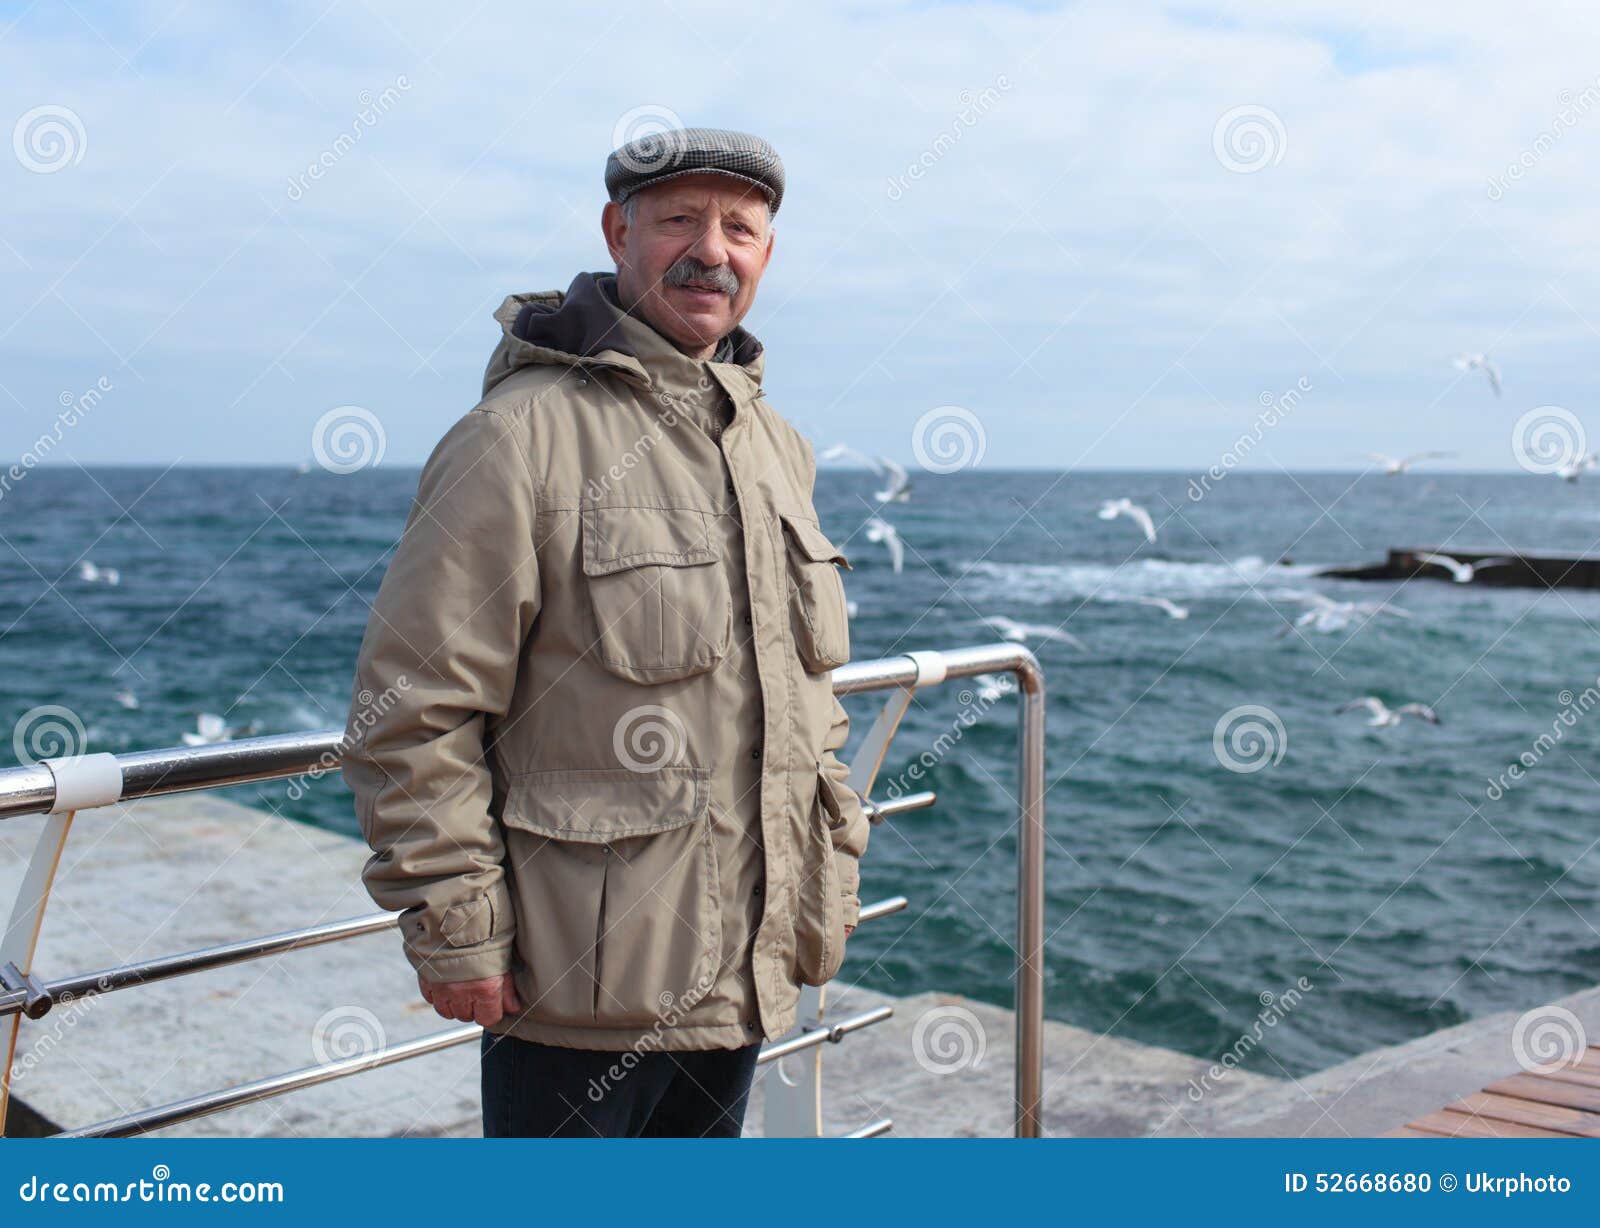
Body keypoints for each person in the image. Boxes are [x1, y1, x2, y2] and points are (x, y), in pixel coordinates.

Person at [340, 127, 867, 1138]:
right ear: (617, 233)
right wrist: (457, 926)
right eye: (678, 220)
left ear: (765, 256)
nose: (711, 250)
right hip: (574, 986)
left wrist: (825, 873)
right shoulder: (518, 436)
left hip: (743, 971)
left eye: (740, 229)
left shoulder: (774, 445)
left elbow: (805, 704)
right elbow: (411, 709)